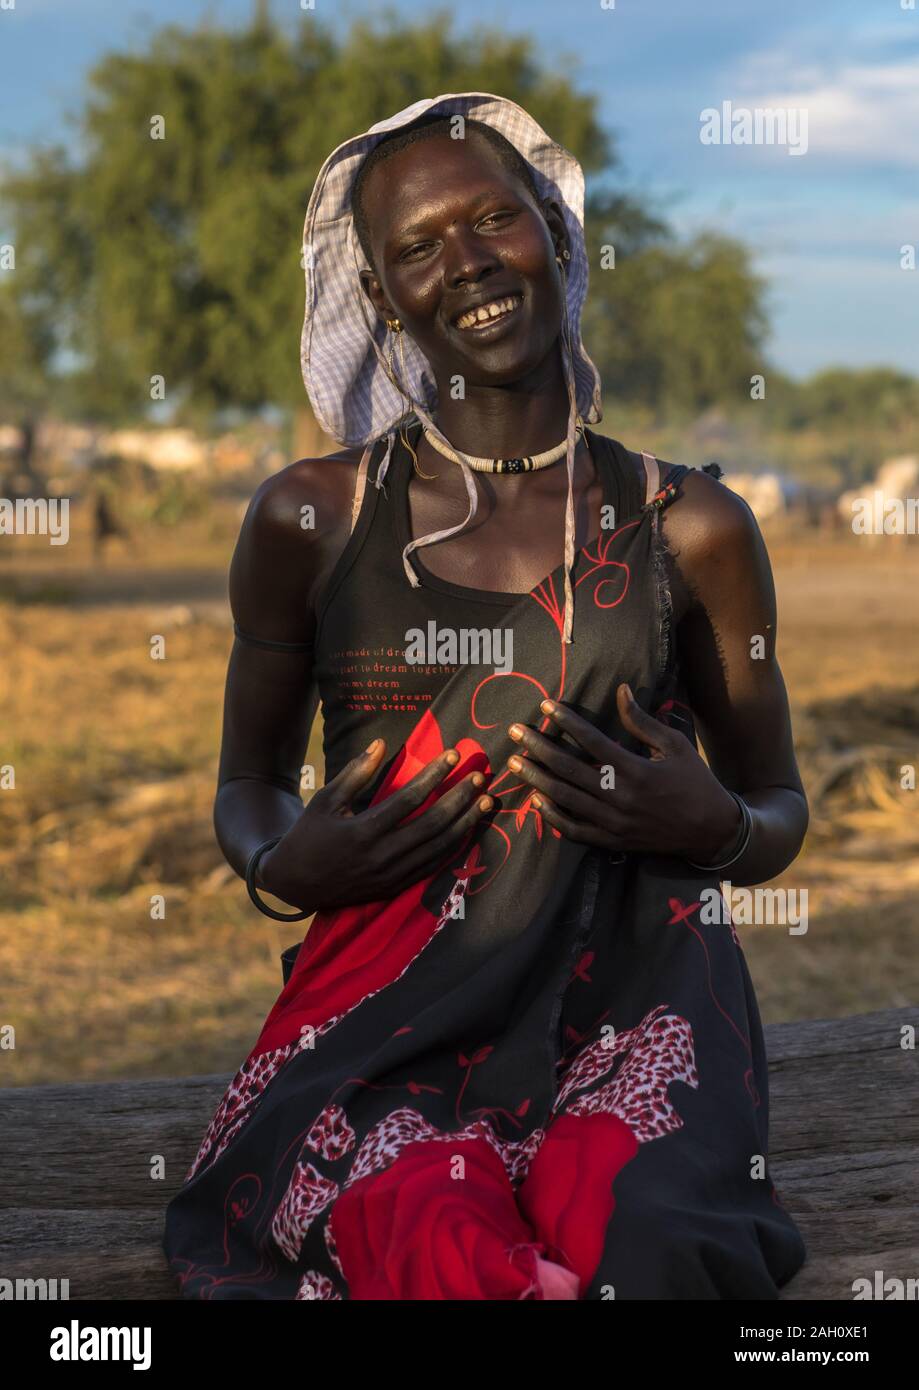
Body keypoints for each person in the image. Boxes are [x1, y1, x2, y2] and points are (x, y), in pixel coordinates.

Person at [163, 93, 808, 1300]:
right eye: (416, 246)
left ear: (558, 237)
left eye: (494, 219)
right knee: (428, 1243)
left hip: (642, 1020)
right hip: (383, 1031)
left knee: (650, 1245)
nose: (466, 263)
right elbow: (246, 786)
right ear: (380, 295)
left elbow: (777, 809)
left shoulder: (694, 528)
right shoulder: (311, 518)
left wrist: (711, 825)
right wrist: (283, 866)